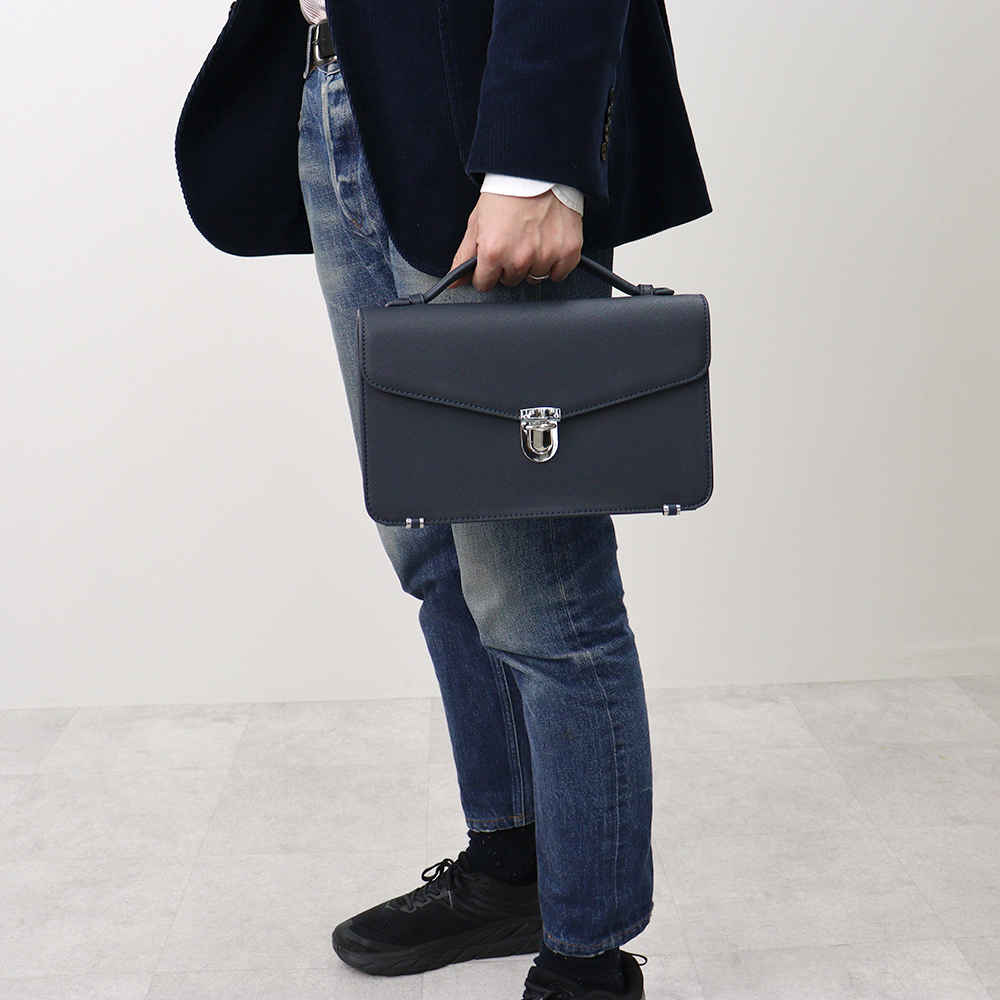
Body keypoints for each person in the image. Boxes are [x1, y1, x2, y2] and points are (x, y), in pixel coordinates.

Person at [177, 1, 710, 996]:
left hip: (479, 125)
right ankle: (510, 865)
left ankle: (588, 964)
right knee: (431, 543)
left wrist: (535, 162)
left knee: (541, 592)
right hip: (335, 89)